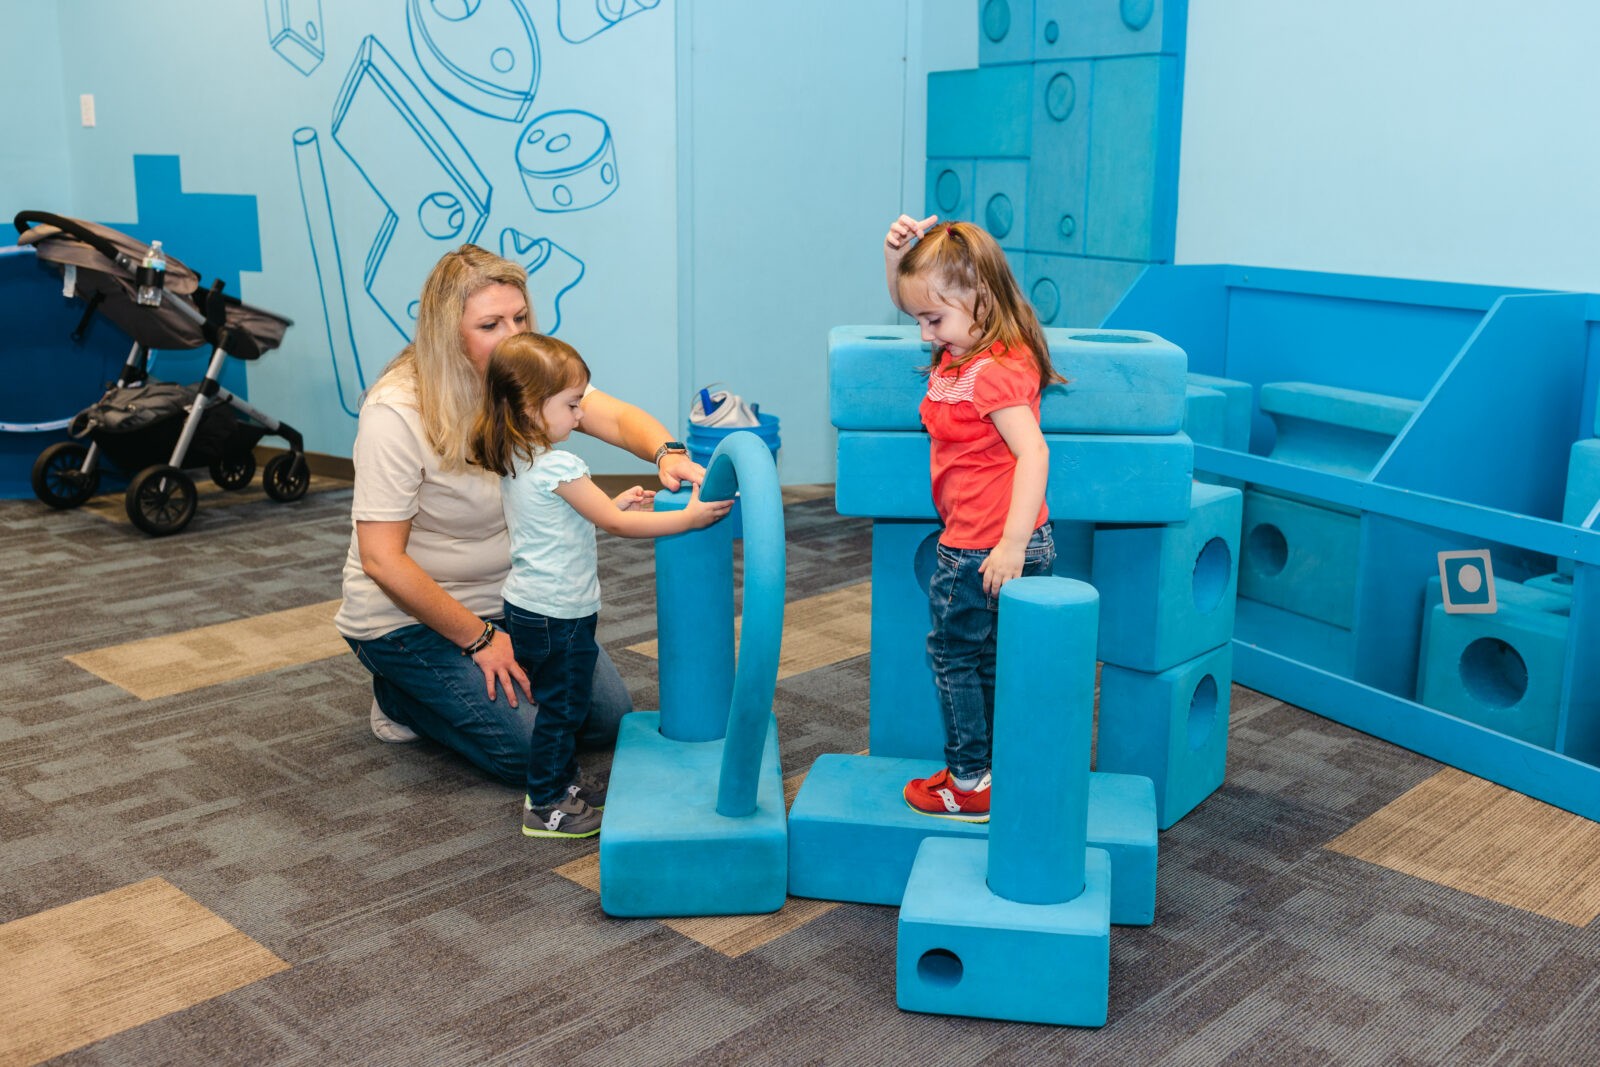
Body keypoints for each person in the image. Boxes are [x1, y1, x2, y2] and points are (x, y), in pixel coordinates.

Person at [334, 244, 703, 791]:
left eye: (520, 317)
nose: (512, 334)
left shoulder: (527, 377)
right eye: (490, 324)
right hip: (408, 615)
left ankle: (462, 679)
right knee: (531, 749)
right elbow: (381, 560)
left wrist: (666, 452)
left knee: (603, 722)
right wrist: (480, 640)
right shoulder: (395, 410)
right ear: (447, 333)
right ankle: (399, 696)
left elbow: (618, 417)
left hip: (522, 601)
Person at [468, 333, 730, 838]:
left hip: (529, 606)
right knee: (563, 707)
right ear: (528, 408)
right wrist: (691, 519)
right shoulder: (560, 464)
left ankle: (558, 783)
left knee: (557, 700)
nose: (578, 415)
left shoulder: (518, 458)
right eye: (570, 405)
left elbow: (575, 515)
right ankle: (545, 803)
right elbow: (616, 526)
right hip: (558, 613)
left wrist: (618, 502)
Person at [883, 214, 1063, 822]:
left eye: (934, 320)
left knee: (953, 658)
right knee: (984, 660)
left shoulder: (994, 371)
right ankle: (986, 768)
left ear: (980, 298)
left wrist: (1011, 546)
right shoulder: (965, 347)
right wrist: (897, 256)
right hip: (988, 541)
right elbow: (917, 297)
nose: (927, 333)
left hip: (986, 546)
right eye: (920, 321)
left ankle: (969, 780)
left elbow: (1034, 452)